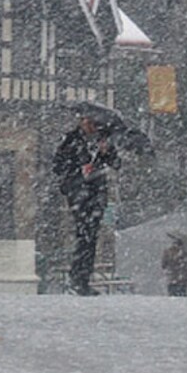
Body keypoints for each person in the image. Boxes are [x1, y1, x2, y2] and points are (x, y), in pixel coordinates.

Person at [53, 109, 121, 296]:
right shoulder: (71, 139)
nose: (92, 127)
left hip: (96, 191)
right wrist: (78, 167)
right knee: (84, 234)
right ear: (82, 121)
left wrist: (106, 153)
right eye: (88, 122)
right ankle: (78, 278)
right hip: (78, 191)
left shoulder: (102, 140)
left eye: (94, 123)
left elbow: (115, 163)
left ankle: (83, 278)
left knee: (91, 235)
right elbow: (57, 164)